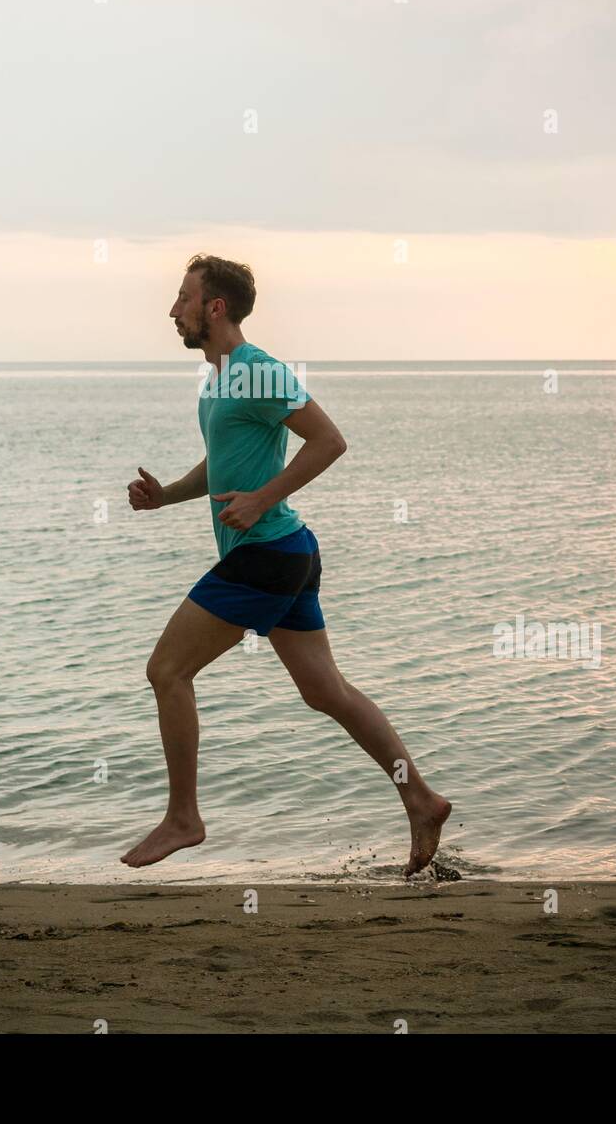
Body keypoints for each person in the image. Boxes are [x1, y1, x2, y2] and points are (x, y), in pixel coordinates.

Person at [122, 253, 452, 876]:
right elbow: (224, 470)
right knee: (326, 691)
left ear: (214, 308)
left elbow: (330, 440)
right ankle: (421, 799)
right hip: (288, 551)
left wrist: (263, 498)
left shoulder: (257, 371)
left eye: (183, 299)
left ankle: (183, 818)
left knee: (167, 671)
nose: (172, 310)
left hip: (266, 556)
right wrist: (166, 495)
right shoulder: (220, 381)